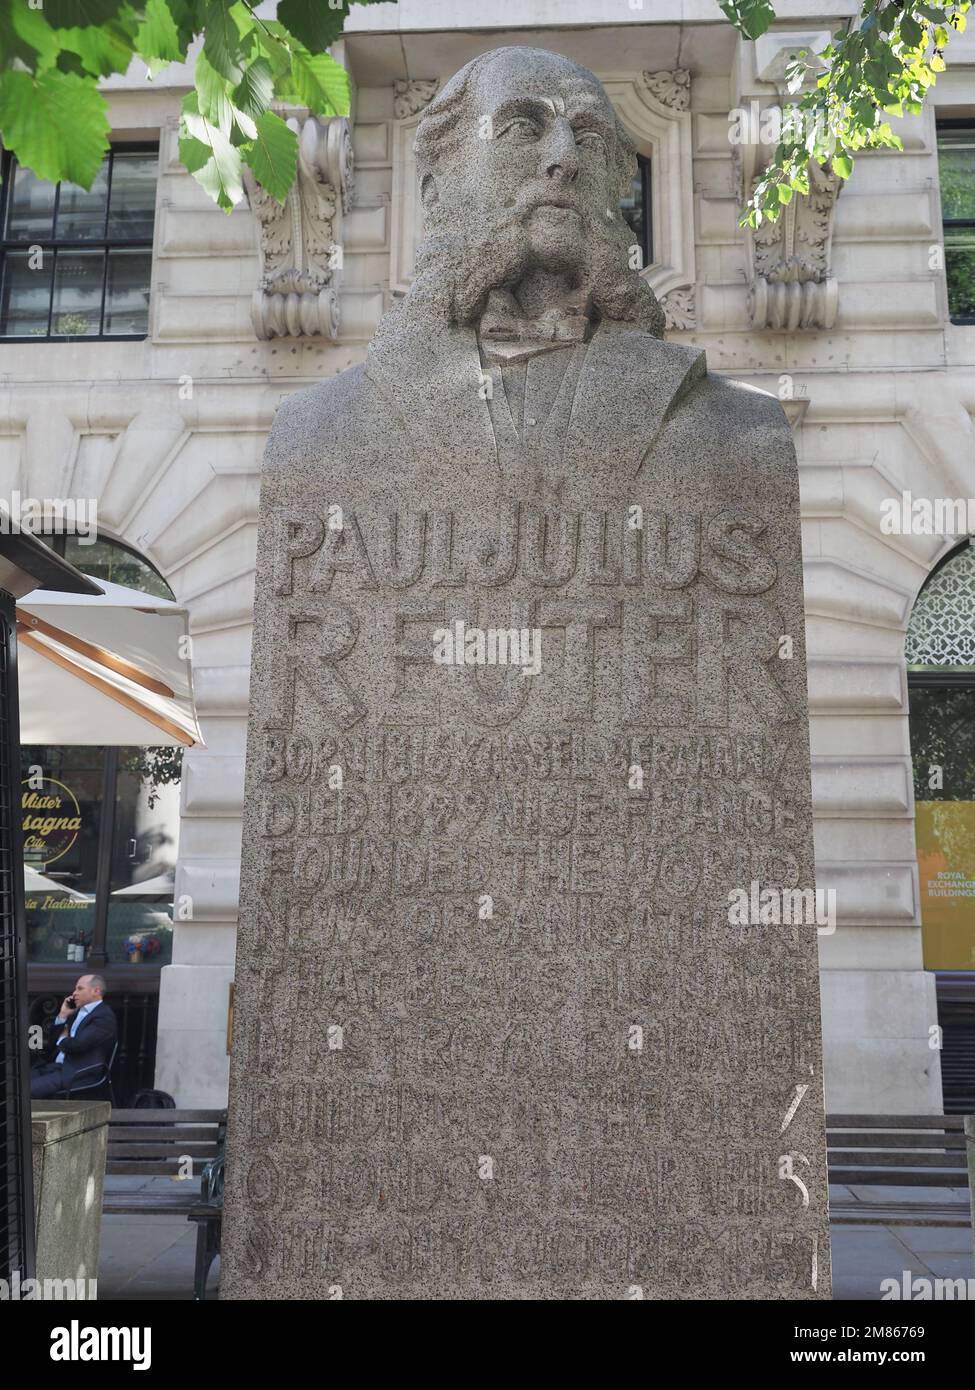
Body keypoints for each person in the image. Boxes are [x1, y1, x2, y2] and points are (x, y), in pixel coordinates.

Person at [30, 973, 117, 1099]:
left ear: (96, 991)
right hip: (55, 1067)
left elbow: (77, 1044)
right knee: (14, 1085)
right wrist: (63, 1015)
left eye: (80, 989)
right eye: (75, 989)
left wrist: (62, 1038)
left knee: (27, 1091)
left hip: (77, 1072)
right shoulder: (75, 1012)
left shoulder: (104, 1017)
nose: (74, 993)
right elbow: (53, 1043)